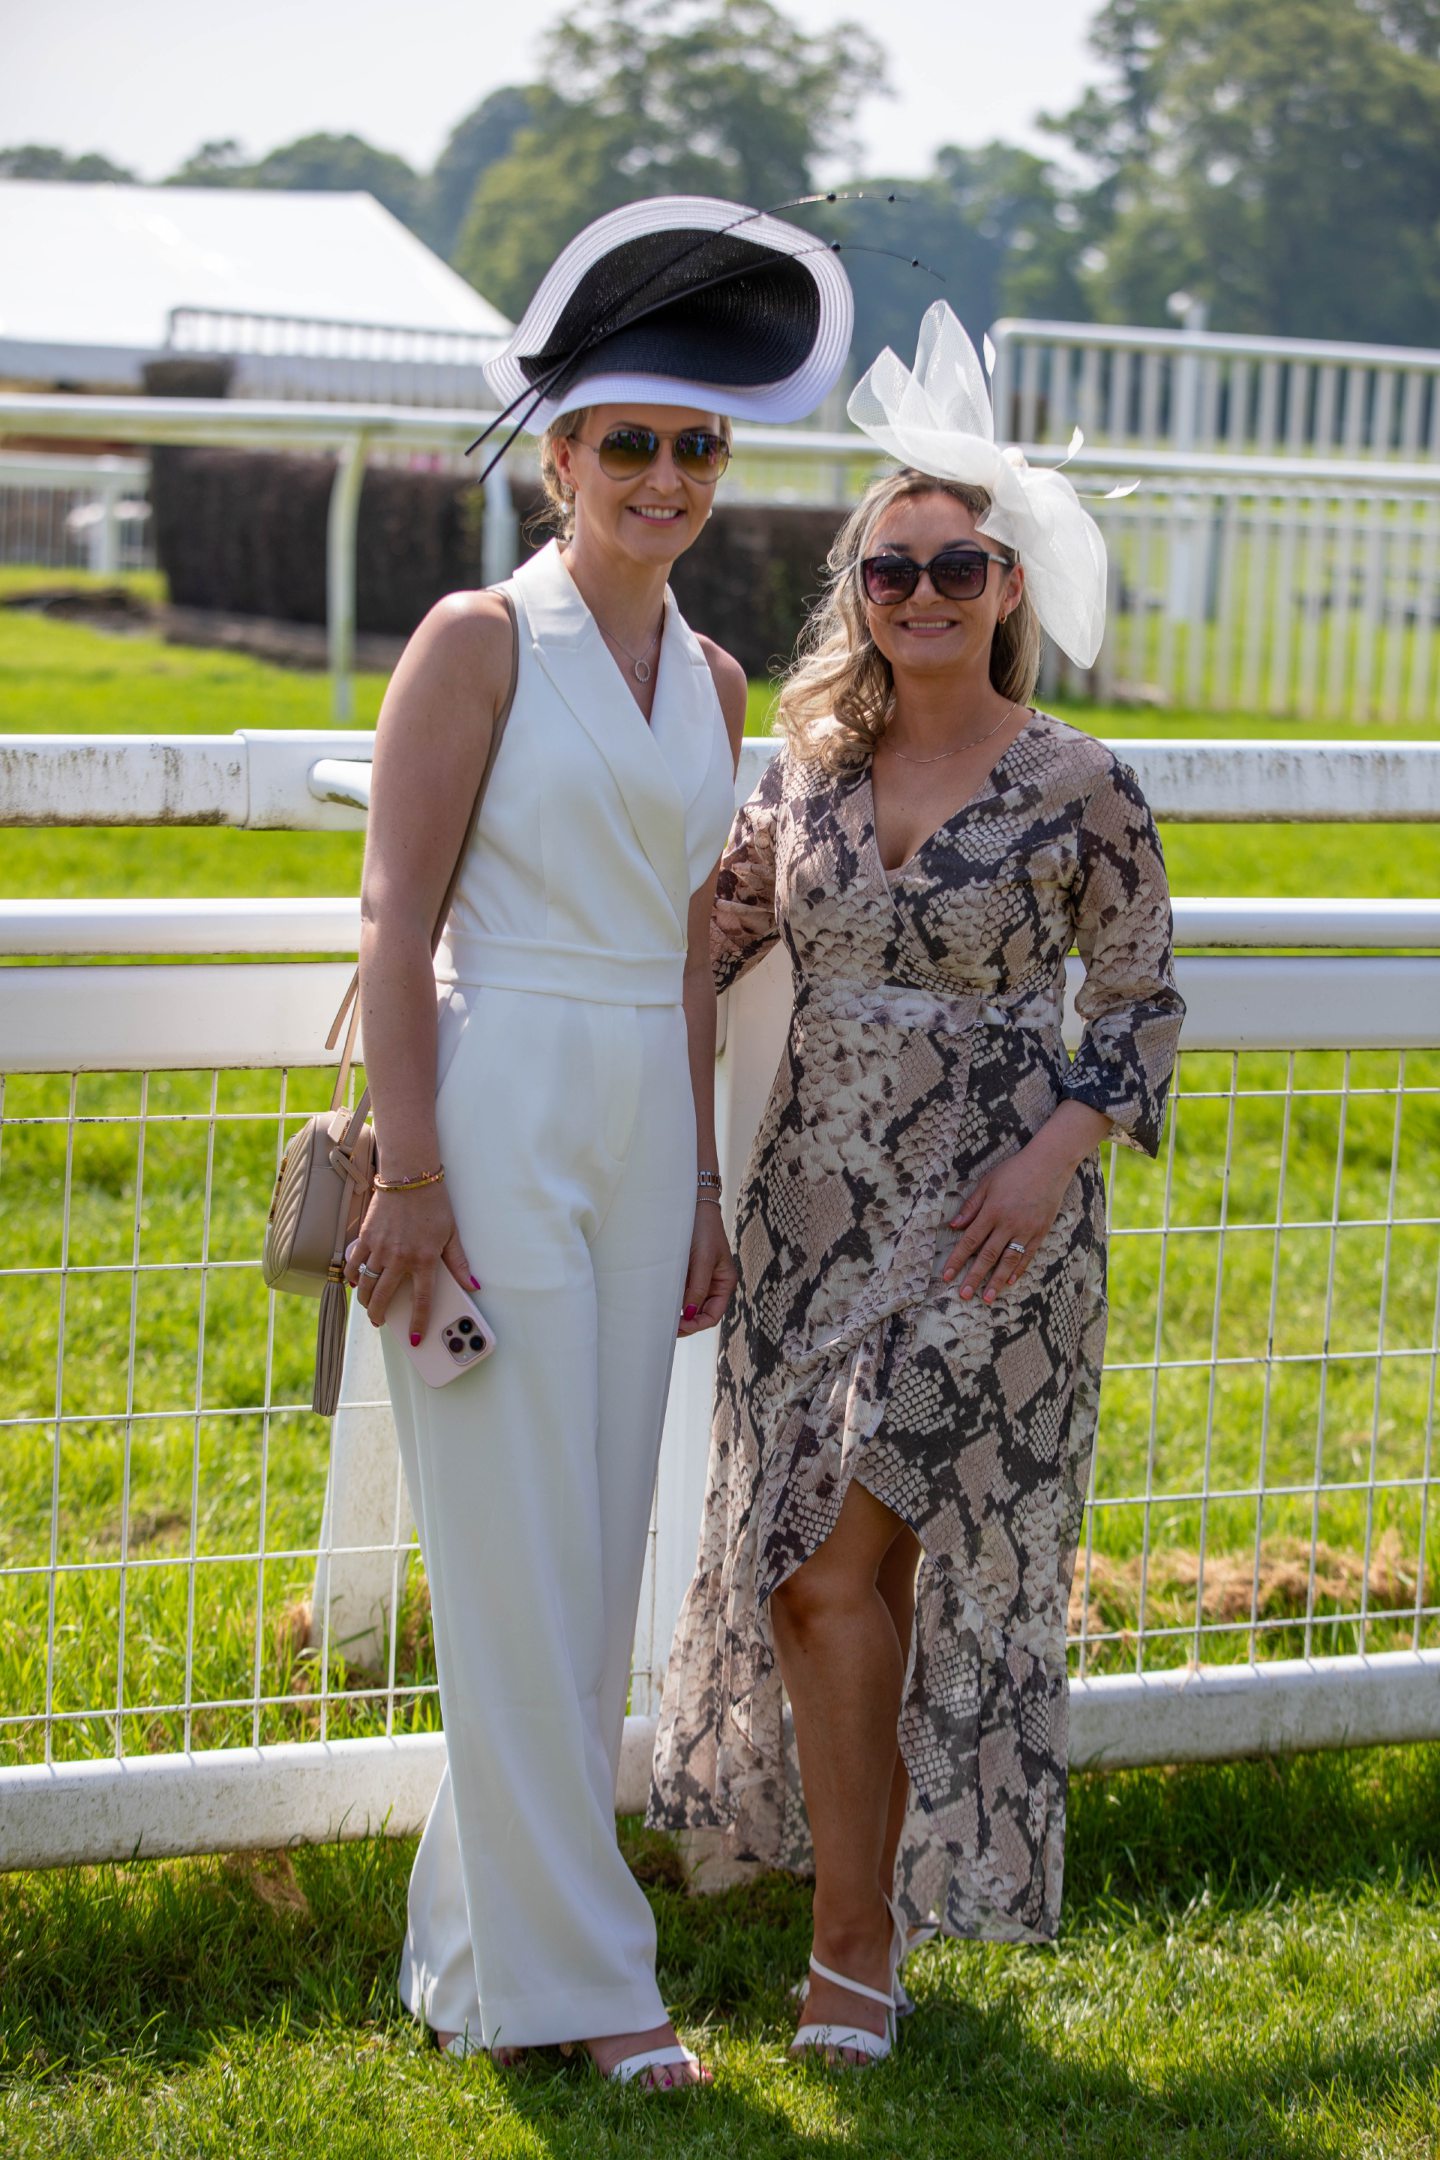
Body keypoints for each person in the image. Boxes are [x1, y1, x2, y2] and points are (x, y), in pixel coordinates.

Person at [345, 196, 853, 2087]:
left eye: (695, 445)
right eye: (627, 439)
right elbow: (396, 922)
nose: (663, 473)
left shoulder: (718, 685)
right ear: (556, 454)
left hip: (647, 1134)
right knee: (507, 1562)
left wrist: (708, 1184)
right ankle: (597, 1985)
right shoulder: (477, 638)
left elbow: (680, 944)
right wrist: (410, 1175)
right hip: (484, 1115)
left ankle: (478, 1965)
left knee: (586, 1551)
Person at [650, 302, 1185, 2065]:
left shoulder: (1081, 786)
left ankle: (853, 1953)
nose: (927, 596)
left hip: (985, 1231)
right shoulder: (803, 772)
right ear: (858, 589)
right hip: (809, 1215)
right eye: (893, 572)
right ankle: (852, 1929)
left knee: (835, 1573)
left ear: (1010, 583)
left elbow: (1140, 1003)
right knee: (815, 1577)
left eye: (961, 565)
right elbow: (711, 932)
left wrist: (1050, 1157)